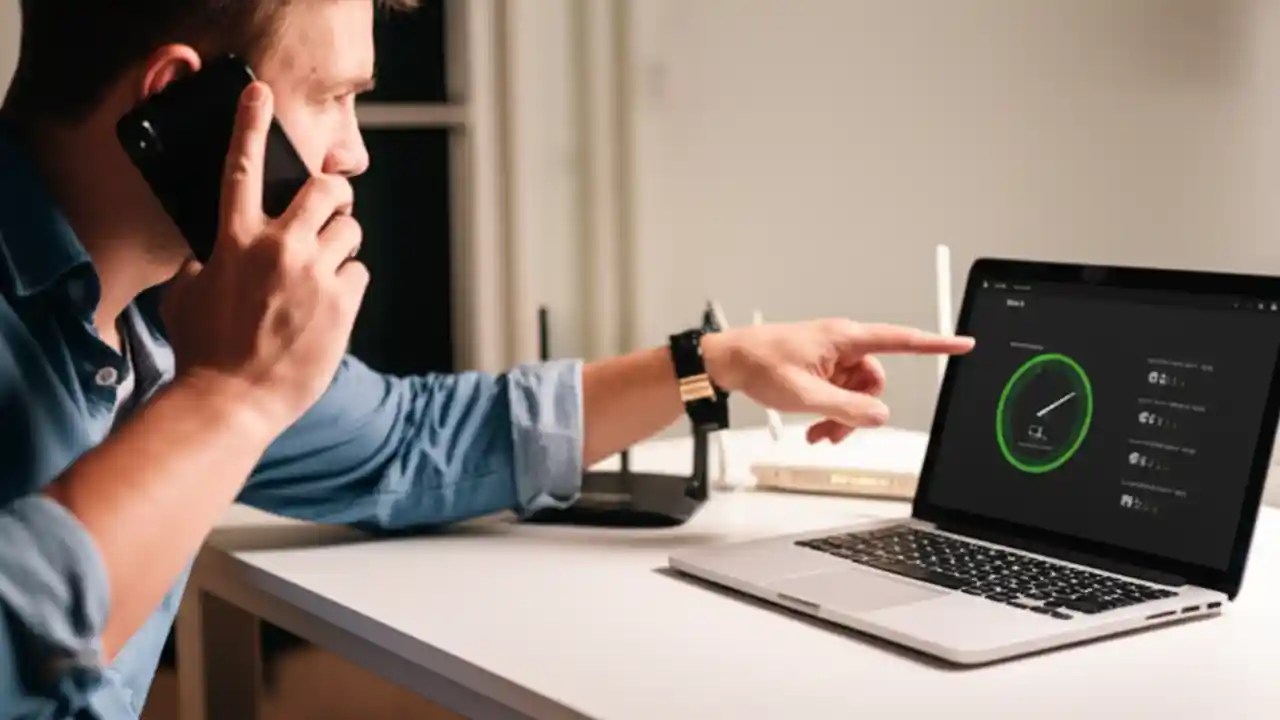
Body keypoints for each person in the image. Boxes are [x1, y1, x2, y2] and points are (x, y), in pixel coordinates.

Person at [0, 0, 974, 717]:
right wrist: (228, 399)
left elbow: (414, 442)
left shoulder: (179, 317)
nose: (354, 153)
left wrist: (711, 363)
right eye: (332, 96)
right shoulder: (209, 352)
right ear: (176, 104)